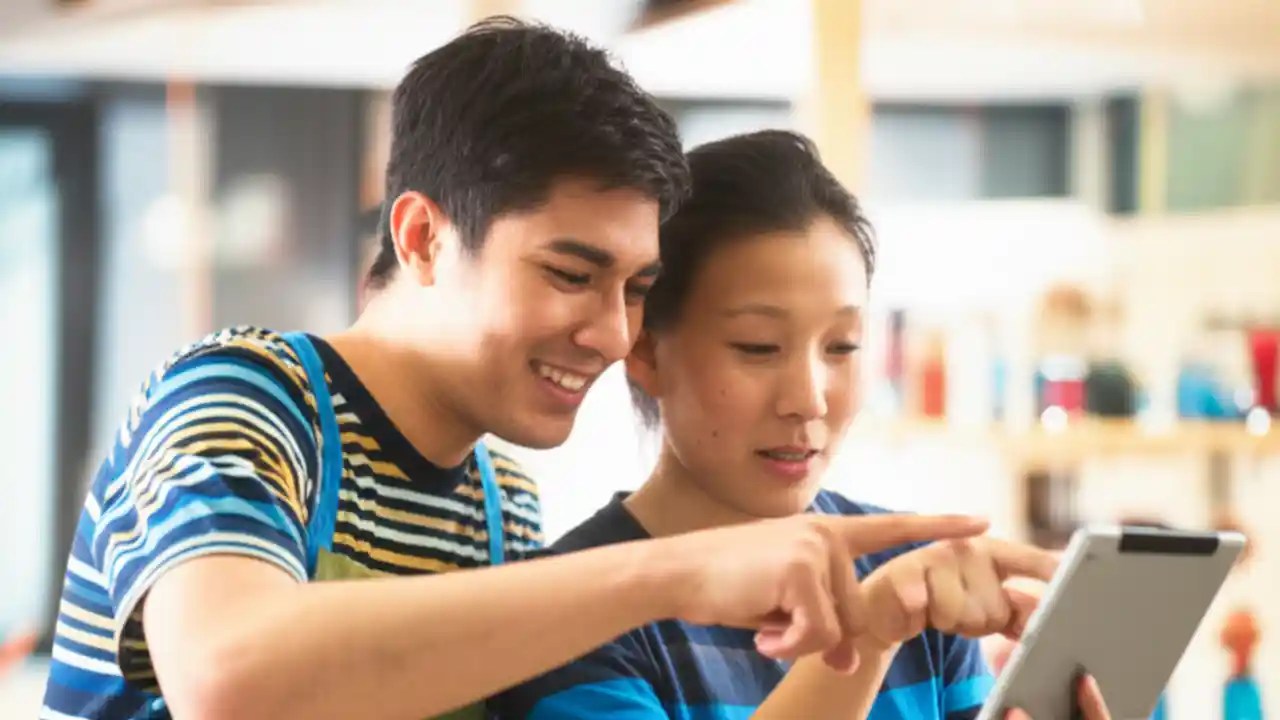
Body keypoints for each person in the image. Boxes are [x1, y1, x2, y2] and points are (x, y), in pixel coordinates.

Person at [41, 19, 986, 720]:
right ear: (422, 236)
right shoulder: (249, 397)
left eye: (635, 288)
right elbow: (228, 677)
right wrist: (671, 573)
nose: (615, 336)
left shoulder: (503, 503)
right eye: (571, 274)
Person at [491, 131, 1111, 720]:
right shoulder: (571, 612)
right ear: (646, 351)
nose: (809, 400)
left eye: (842, 347)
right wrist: (863, 643)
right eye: (758, 347)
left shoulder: (916, 588)